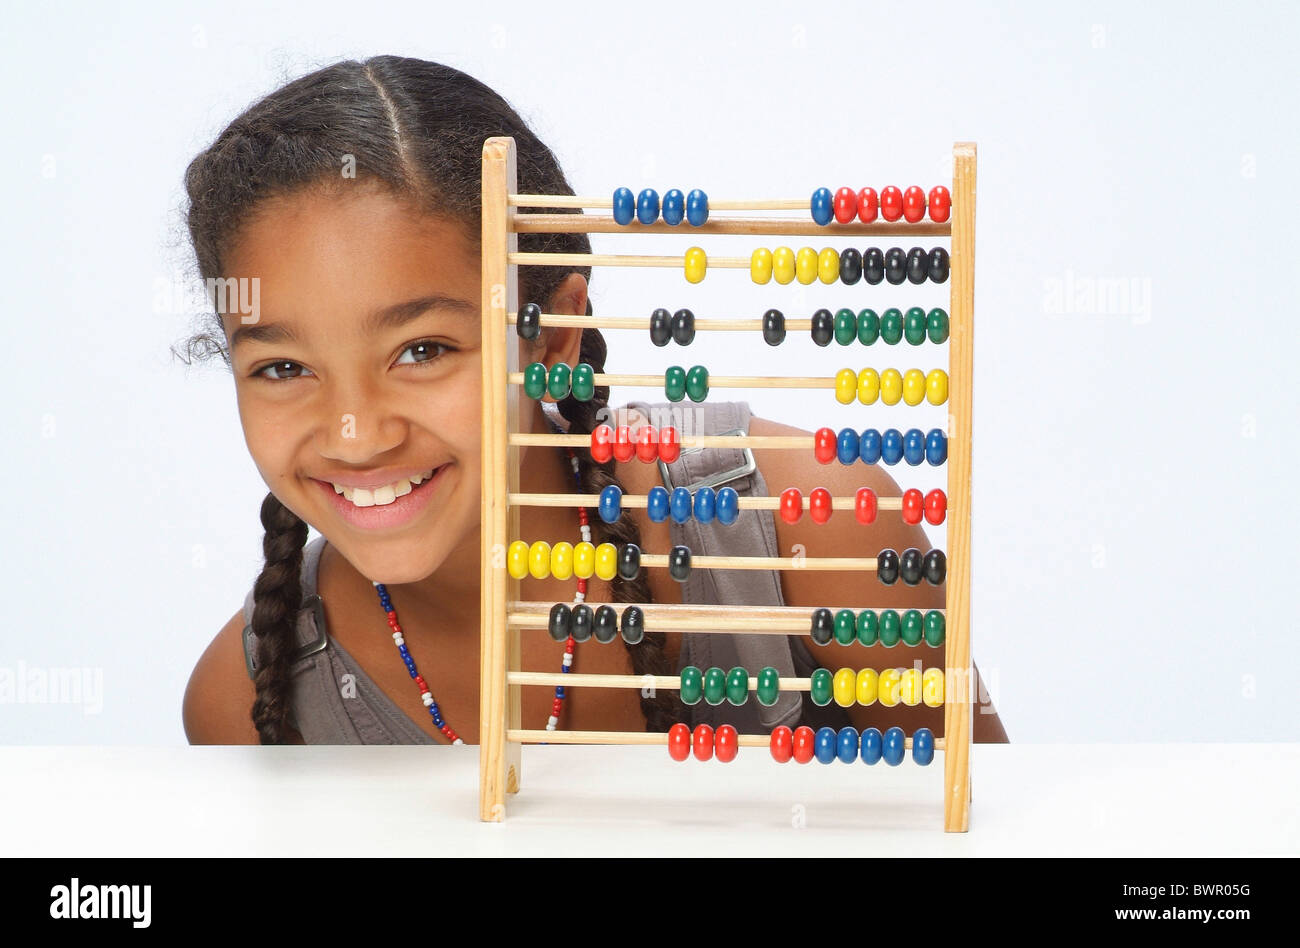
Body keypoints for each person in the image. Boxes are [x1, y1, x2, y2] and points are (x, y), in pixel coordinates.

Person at [179, 55, 1007, 746]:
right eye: (284, 368)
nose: (356, 435)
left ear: (556, 335)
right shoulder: (240, 704)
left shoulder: (813, 526)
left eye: (422, 350)